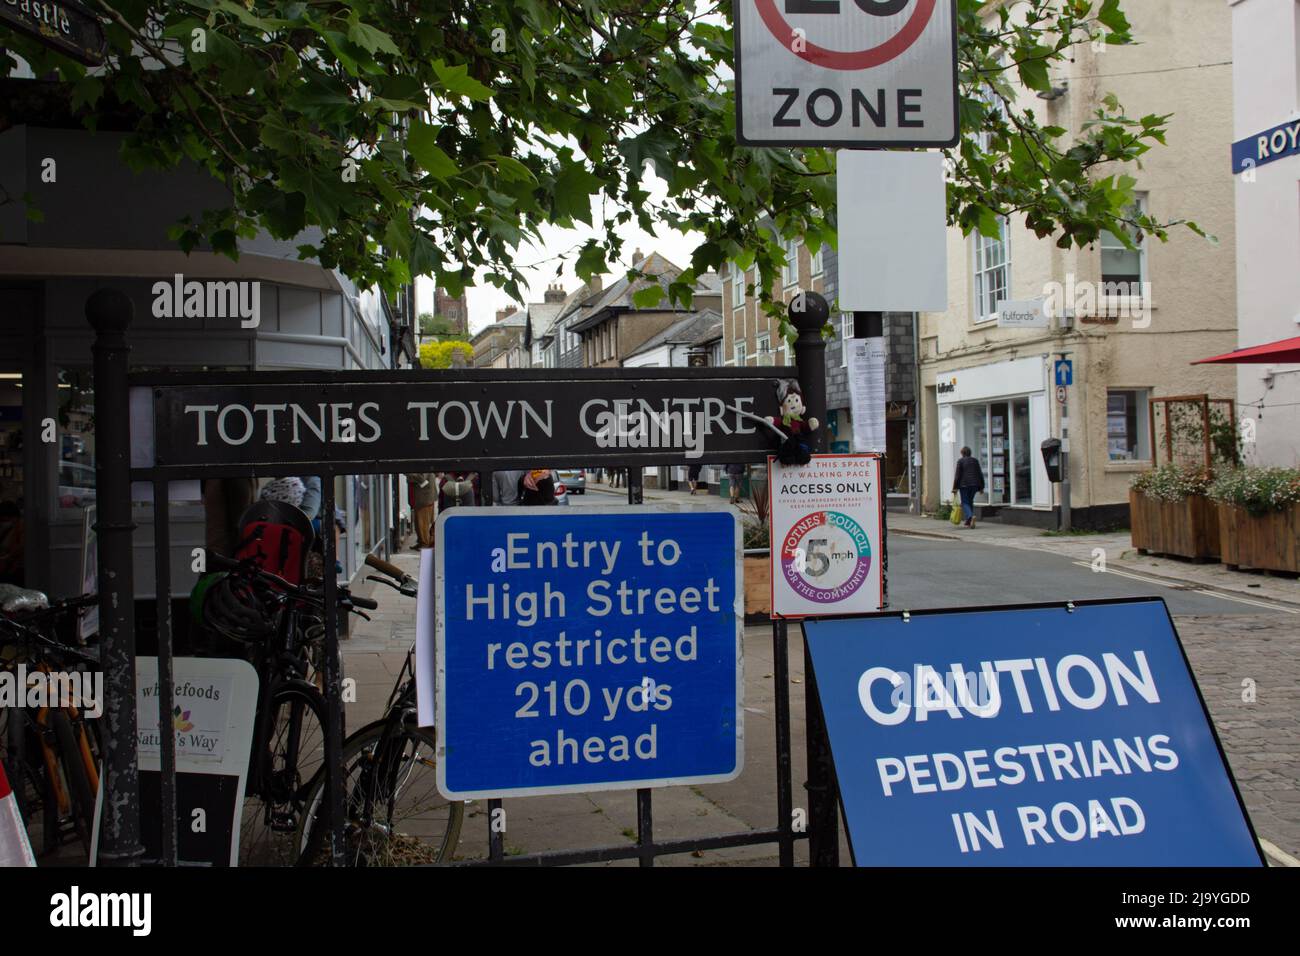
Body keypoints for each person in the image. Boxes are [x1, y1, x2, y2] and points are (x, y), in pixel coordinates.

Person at [952, 447, 985, 528]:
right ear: (970, 453)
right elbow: (980, 474)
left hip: (964, 485)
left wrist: (954, 488)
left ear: (962, 453)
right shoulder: (975, 461)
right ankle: (968, 522)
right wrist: (981, 487)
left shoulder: (960, 461)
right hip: (974, 485)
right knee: (970, 502)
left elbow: (957, 475)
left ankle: (970, 516)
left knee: (965, 502)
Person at [407, 473, 438, 548]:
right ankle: (421, 542)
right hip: (422, 497)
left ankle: (425, 543)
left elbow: (422, 478)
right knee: (419, 523)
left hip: (424, 498)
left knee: (423, 523)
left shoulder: (424, 464)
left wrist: (408, 474)